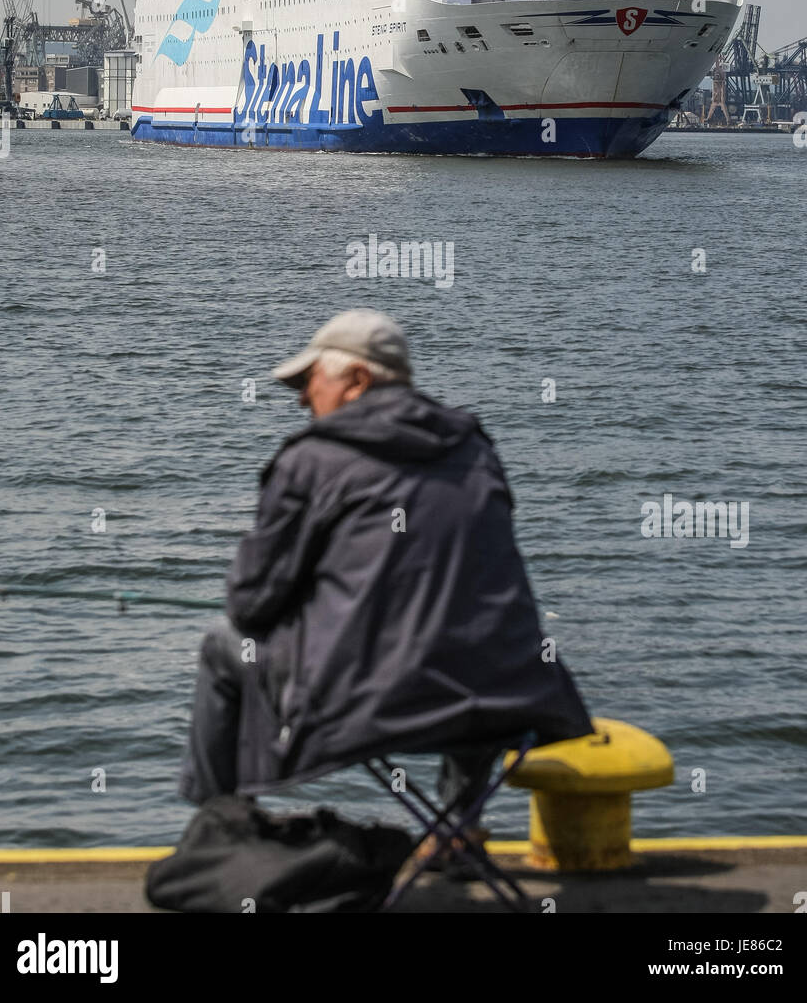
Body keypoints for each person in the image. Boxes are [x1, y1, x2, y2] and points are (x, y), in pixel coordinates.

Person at [179, 309, 593, 819]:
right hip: (510, 698)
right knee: (471, 636)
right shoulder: (475, 447)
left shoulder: (312, 459)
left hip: (368, 707)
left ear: (356, 379)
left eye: (310, 382)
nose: (304, 398)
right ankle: (459, 831)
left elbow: (250, 604)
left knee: (223, 641)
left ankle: (220, 829)